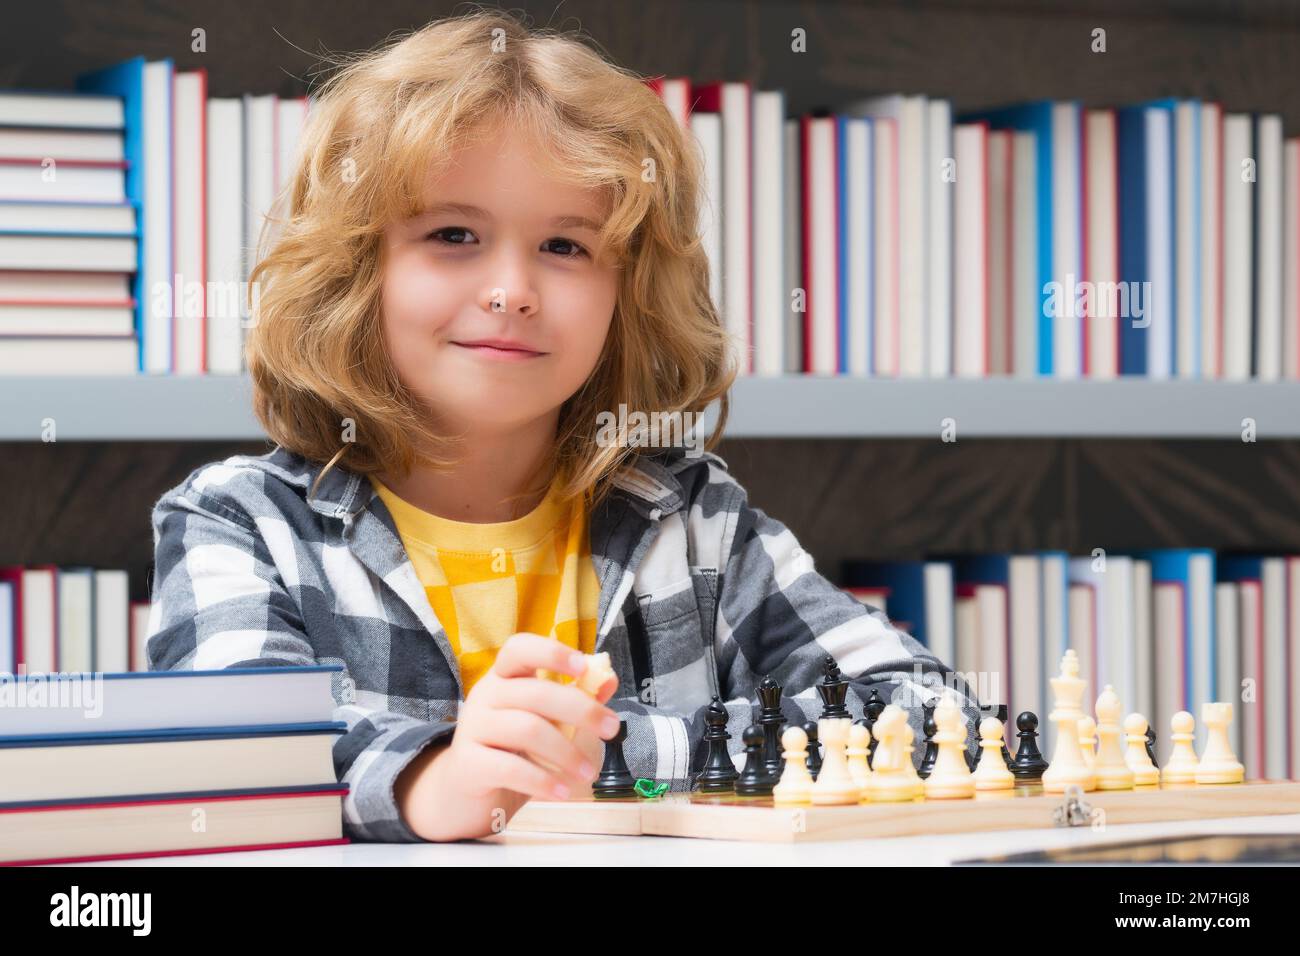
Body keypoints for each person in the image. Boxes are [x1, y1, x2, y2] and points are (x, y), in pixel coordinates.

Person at [148, 9, 982, 843]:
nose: (512, 289)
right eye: (453, 234)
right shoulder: (239, 523)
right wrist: (430, 780)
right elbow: (234, 764)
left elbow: (934, 710)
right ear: (355, 274)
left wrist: (614, 755)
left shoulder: (691, 519)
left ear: (629, 296)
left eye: (565, 246)